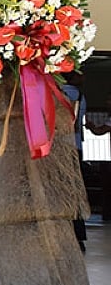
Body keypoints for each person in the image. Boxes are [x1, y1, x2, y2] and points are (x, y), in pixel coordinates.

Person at [61, 71, 87, 252]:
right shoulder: (80, 96)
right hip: (75, 148)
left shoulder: (54, 93)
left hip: (57, 149)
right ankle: (78, 235)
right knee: (75, 191)